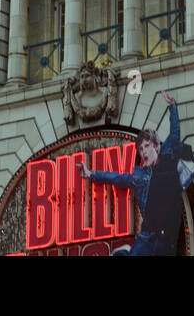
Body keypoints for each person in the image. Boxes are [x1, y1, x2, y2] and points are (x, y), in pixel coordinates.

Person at [79, 91, 187, 256]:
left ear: (157, 146)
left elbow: (175, 135)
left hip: (167, 237)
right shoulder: (140, 177)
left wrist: (172, 107)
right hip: (147, 235)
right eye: (141, 149)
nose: (143, 152)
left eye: (146, 146)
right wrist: (91, 174)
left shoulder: (169, 158)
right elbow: (118, 178)